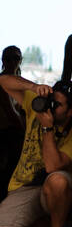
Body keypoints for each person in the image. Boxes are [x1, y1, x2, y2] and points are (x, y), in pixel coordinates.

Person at [0, 76, 72, 227]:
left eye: (57, 105)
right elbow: (3, 80)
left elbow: (52, 166)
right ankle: (37, 224)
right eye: (51, 101)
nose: (50, 107)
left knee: (56, 180)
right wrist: (33, 87)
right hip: (24, 187)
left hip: (57, 191)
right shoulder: (37, 106)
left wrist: (47, 128)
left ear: (71, 111)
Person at [0, 46, 25, 200]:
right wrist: (24, 130)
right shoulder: (3, 81)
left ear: (20, 60)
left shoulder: (19, 81)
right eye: (8, 58)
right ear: (3, 60)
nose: (12, 62)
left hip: (13, 131)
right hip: (5, 132)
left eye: (15, 58)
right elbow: (10, 111)